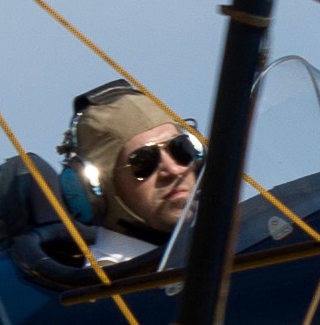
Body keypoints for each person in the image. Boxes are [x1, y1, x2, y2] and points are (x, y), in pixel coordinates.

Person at [19, 77, 202, 273]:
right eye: (143, 161)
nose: (174, 170)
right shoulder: (109, 294)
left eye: (180, 148)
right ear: (94, 189)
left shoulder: (221, 244)